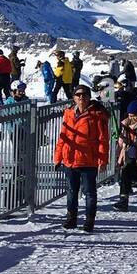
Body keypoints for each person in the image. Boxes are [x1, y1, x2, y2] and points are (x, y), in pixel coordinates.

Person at [53, 84, 108, 232]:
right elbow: (63, 137)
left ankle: (89, 221)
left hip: (88, 160)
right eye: (78, 95)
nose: (81, 97)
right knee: (71, 191)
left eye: (84, 94)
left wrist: (103, 159)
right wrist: (57, 157)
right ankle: (71, 218)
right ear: (74, 98)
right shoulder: (69, 113)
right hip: (70, 160)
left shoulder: (97, 114)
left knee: (89, 192)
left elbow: (103, 139)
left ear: (89, 97)